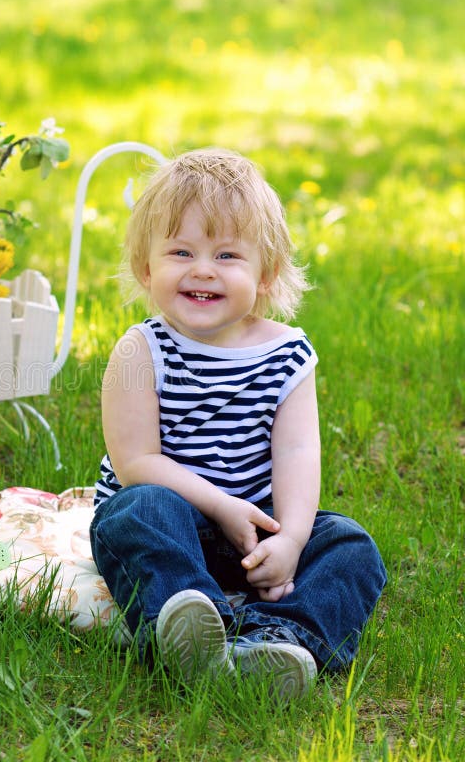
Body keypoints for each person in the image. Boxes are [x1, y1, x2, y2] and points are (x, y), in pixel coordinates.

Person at [90, 148, 387, 700]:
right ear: (146, 268)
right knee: (135, 512)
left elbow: (297, 455)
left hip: (257, 534)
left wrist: (293, 539)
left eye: (227, 255)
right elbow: (137, 464)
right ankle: (188, 628)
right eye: (181, 251)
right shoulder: (140, 351)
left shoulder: (288, 355)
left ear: (266, 274)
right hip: (171, 524)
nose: (202, 269)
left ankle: (276, 642)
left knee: (350, 545)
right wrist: (221, 508)